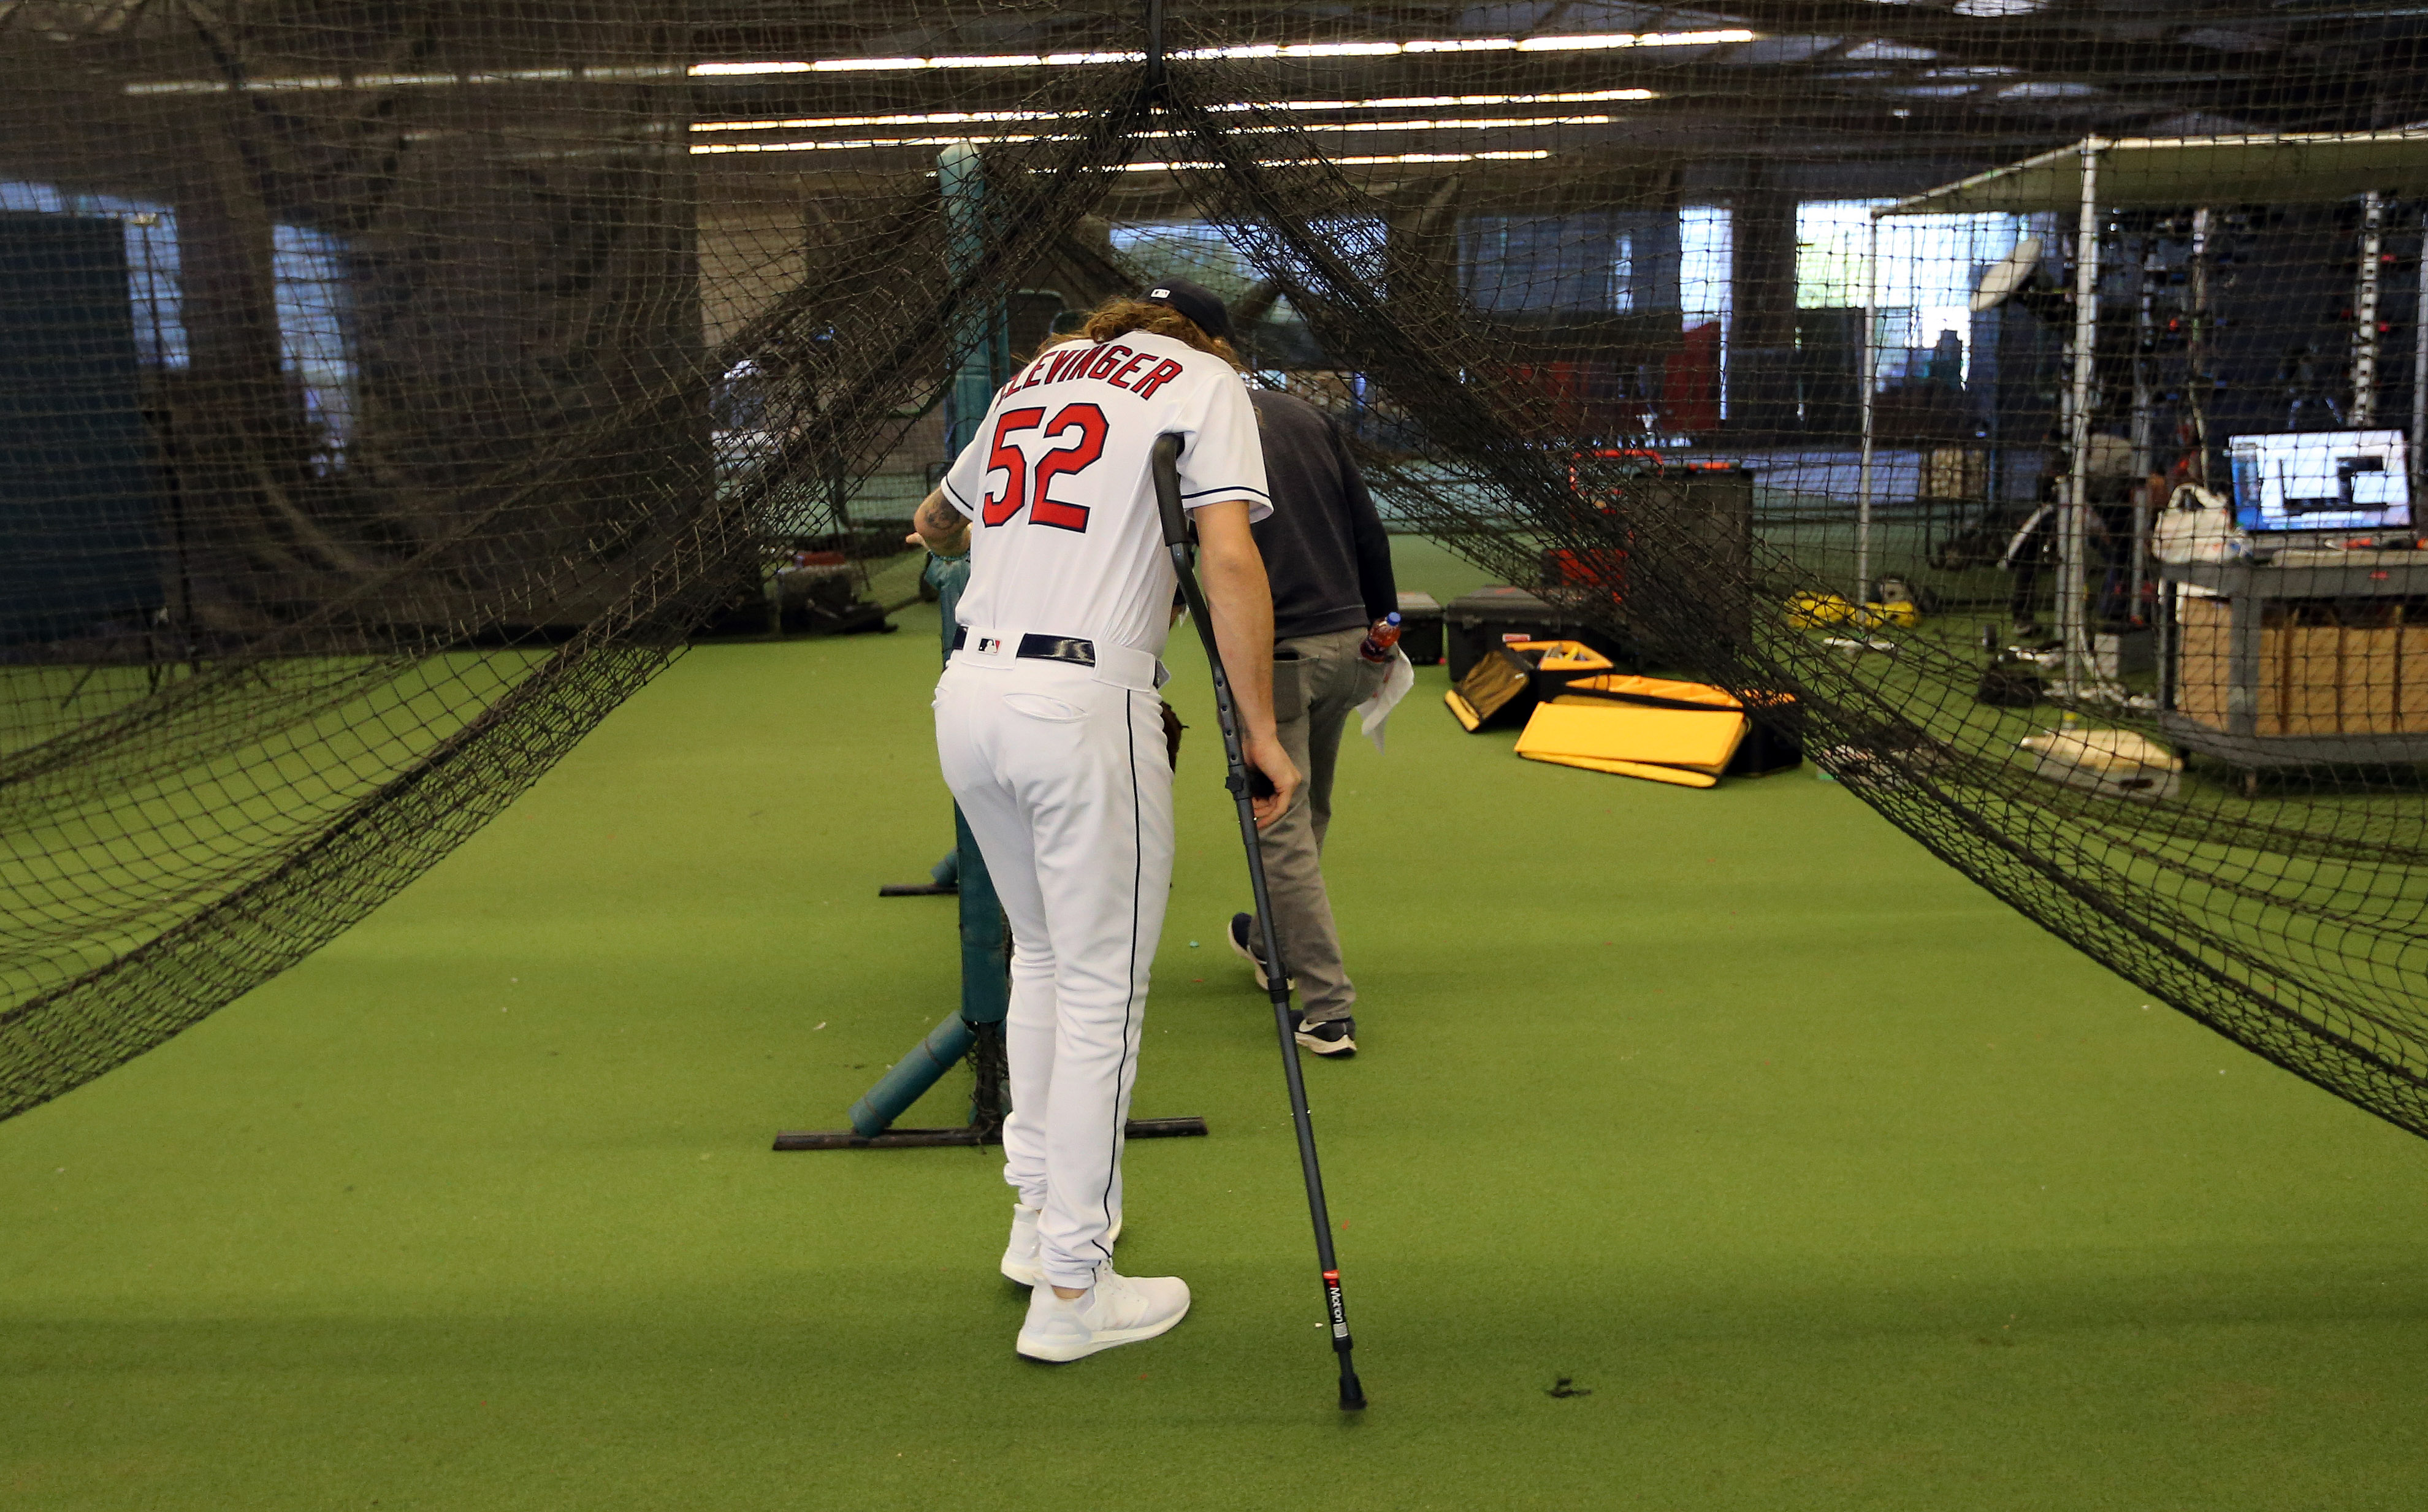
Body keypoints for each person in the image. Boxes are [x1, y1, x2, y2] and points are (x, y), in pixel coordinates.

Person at [908, 278, 1299, 1364]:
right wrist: (1263, 732)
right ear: (1204, 337)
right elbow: (1229, 556)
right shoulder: (1208, 379)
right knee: (1097, 990)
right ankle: (1075, 1288)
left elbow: (935, 524)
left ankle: (1038, 1226)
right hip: (1084, 706)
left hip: (972, 698)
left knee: (1044, 958)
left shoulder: (1033, 376)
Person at [1223, 386, 1397, 1058]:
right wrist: (1386, 630)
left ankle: (1328, 1009)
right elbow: (1368, 531)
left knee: (1278, 828)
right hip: (1351, 643)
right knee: (1308, 807)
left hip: (1277, 659)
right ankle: (1271, 944)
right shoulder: (1301, 413)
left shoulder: (1183, 419)